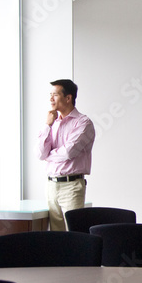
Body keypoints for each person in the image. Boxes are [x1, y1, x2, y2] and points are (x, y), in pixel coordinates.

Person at [37, 78, 95, 231]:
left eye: (55, 95)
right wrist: (47, 125)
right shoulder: (52, 122)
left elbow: (68, 152)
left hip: (71, 186)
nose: (50, 99)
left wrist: (48, 155)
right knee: (57, 237)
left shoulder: (83, 123)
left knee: (75, 233)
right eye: (50, 94)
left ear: (68, 98)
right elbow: (39, 153)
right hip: (51, 186)